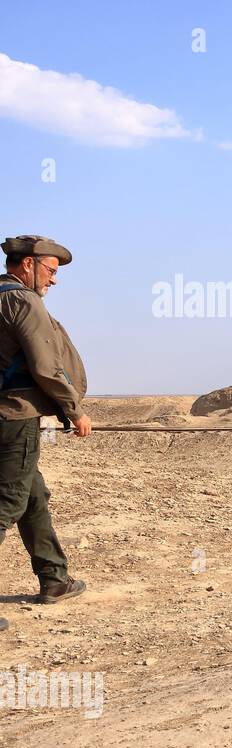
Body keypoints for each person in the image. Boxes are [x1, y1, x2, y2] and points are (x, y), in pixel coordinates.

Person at [0, 235, 92, 620]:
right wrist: (74, 410)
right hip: (15, 417)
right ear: (28, 265)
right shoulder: (23, 301)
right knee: (8, 501)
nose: (53, 280)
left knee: (32, 494)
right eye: (51, 271)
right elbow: (45, 366)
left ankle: (54, 578)